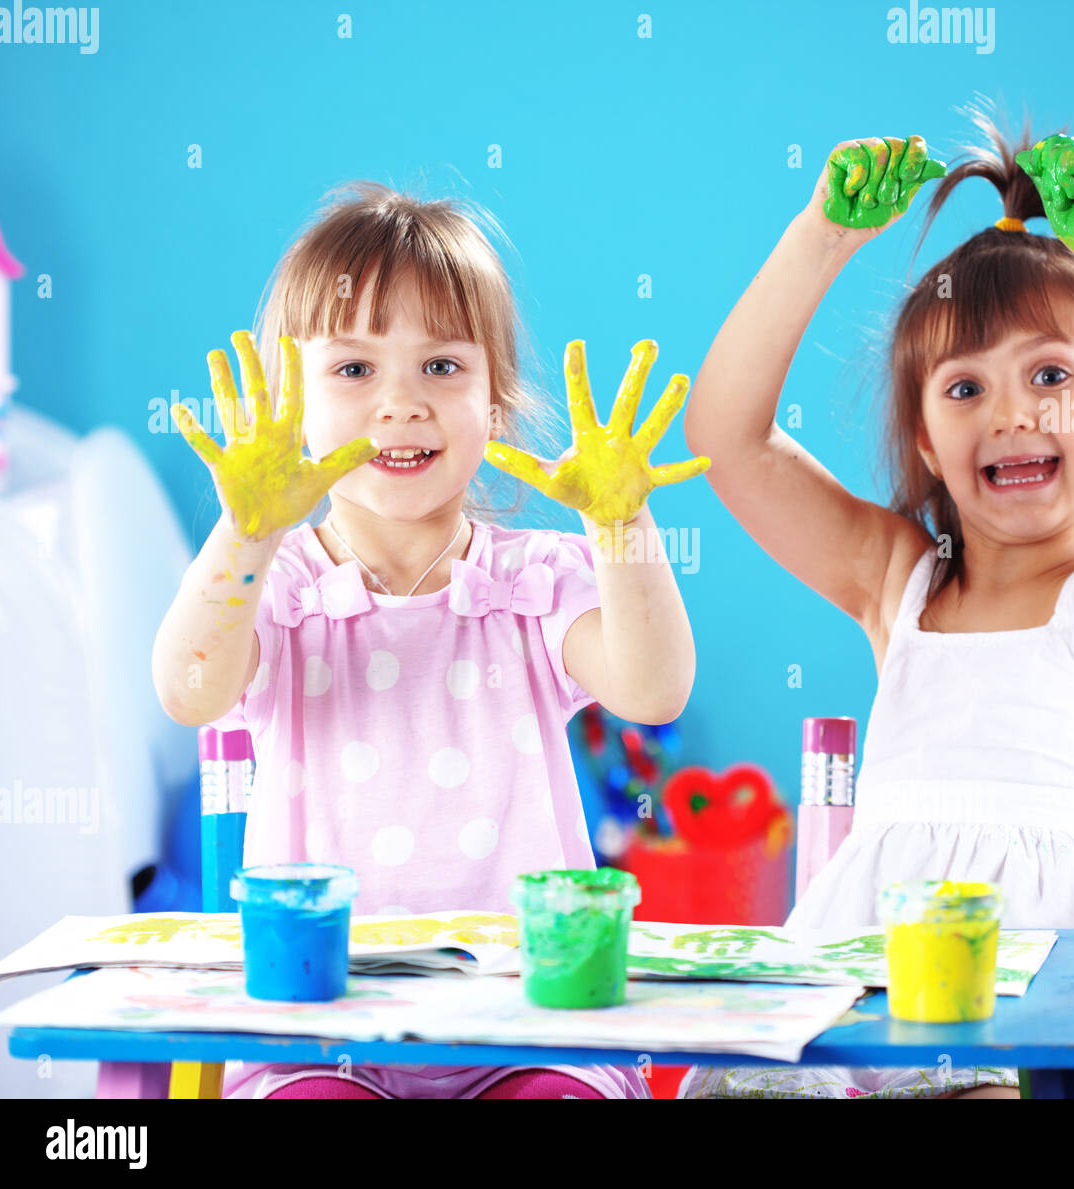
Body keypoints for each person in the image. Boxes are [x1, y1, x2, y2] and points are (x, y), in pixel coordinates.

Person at [677, 108, 1074, 1099]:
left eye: (1049, 373)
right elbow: (727, 438)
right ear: (922, 439)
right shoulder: (895, 584)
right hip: (871, 1015)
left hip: (1056, 1032)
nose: (1010, 412)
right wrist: (819, 236)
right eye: (963, 389)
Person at [153, 182, 708, 1099]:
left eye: (442, 367)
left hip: (536, 1023)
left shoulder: (535, 580)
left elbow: (653, 690)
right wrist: (243, 534)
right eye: (354, 370)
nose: (401, 404)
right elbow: (189, 688)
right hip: (318, 1031)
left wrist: (623, 524)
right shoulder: (278, 585)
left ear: (496, 403)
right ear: (291, 402)